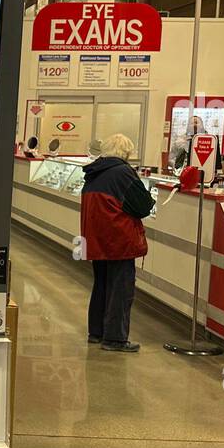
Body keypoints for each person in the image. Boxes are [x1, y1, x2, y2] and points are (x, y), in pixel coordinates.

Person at [80, 133, 154, 353]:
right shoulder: (123, 172)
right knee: (121, 289)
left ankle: (97, 332)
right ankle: (115, 338)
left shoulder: (93, 172)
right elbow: (143, 206)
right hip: (118, 238)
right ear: (126, 152)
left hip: (96, 237)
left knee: (101, 284)